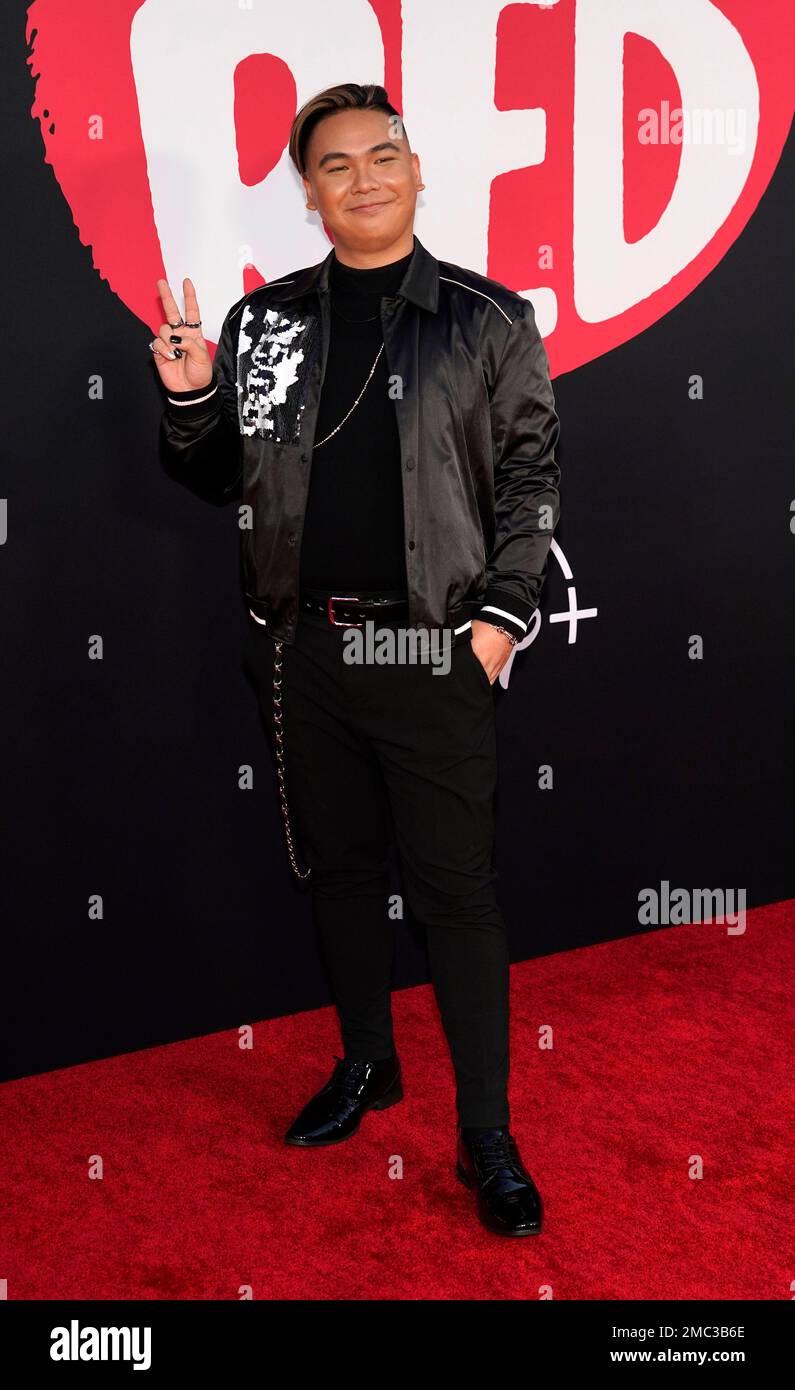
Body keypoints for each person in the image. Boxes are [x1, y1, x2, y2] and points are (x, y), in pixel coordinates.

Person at [152, 83, 561, 1237]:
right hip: (305, 651)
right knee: (337, 872)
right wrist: (191, 399)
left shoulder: (489, 320)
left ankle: (489, 1134)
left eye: (384, 156)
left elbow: (532, 483)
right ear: (311, 190)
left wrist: (495, 624)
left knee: (456, 896)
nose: (365, 178)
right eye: (337, 165)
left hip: (435, 651)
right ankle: (368, 1065)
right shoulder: (269, 324)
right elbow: (224, 477)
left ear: (417, 169)